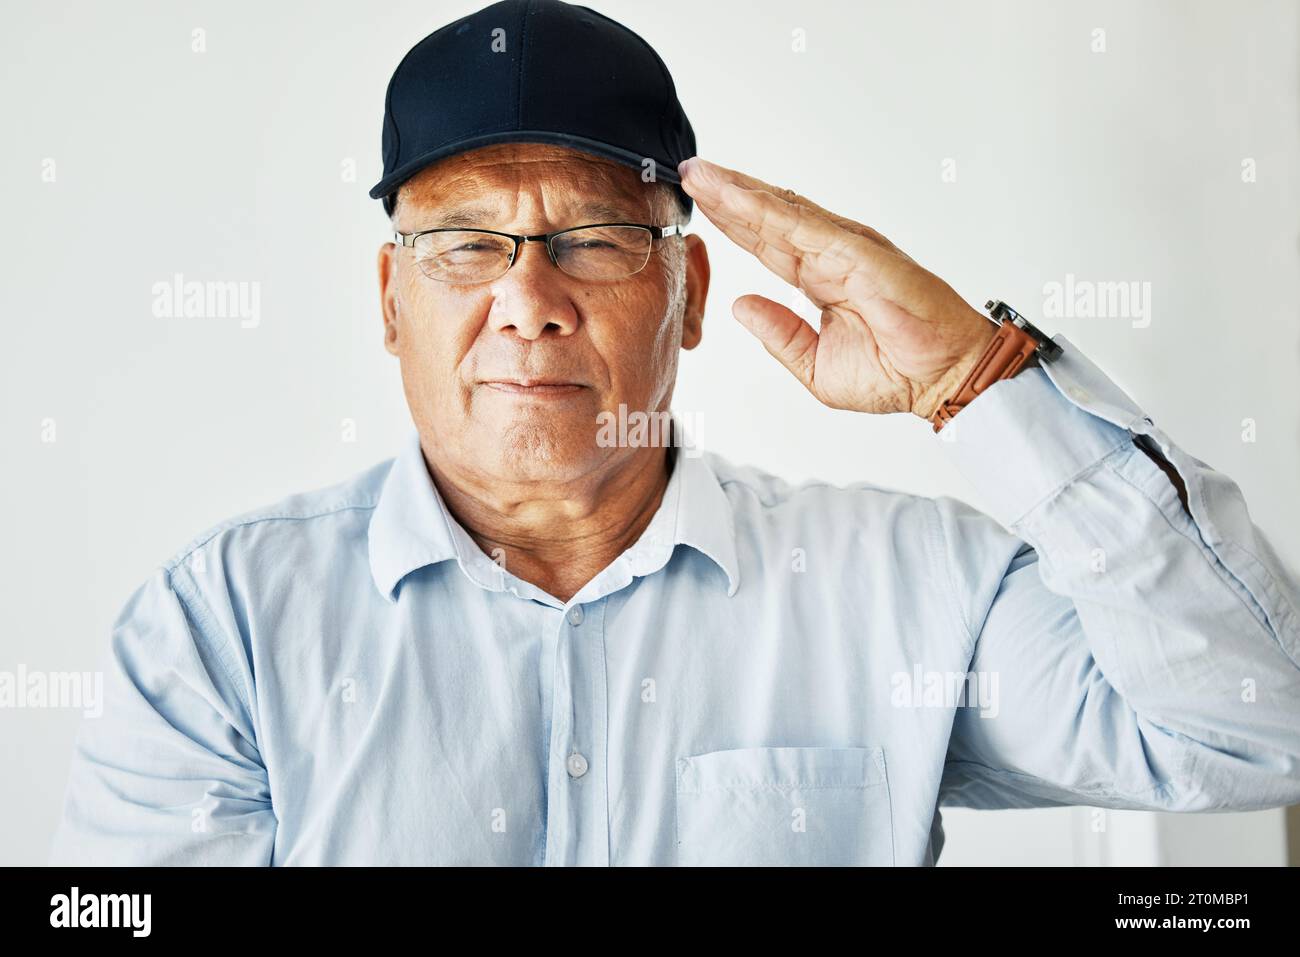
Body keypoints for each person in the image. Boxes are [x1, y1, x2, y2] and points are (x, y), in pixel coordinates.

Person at [51, 0, 1300, 866]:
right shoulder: (222, 627)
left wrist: (977, 379)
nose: (529, 303)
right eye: (465, 244)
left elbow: (1254, 733)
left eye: (594, 241)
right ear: (392, 302)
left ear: (690, 294)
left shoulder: (912, 591)